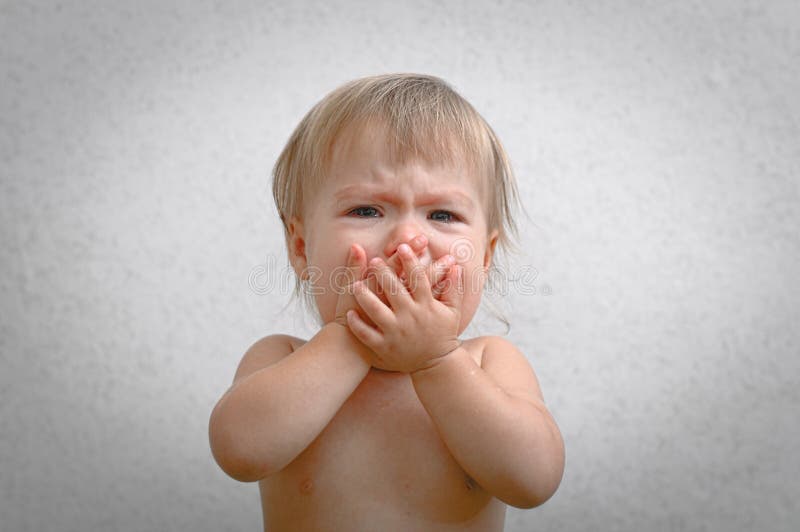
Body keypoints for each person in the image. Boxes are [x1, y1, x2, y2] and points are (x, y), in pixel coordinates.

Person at [208, 73, 564, 531]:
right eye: (366, 210)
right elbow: (240, 452)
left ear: (486, 256)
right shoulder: (281, 358)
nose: (408, 241)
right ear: (301, 248)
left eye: (442, 215)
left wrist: (436, 360)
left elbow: (533, 480)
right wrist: (350, 340)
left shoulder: (490, 363)